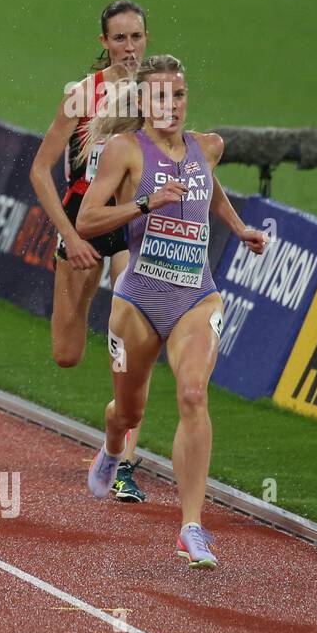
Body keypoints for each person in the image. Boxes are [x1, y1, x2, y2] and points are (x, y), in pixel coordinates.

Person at [77, 55, 266, 569]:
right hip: (137, 297)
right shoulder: (124, 149)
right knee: (129, 412)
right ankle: (113, 447)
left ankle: (191, 528)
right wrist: (146, 205)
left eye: (178, 96)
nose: (172, 106)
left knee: (191, 392)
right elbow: (88, 218)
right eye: (160, 98)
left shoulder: (208, 147)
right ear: (142, 102)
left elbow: (211, 189)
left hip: (194, 297)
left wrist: (240, 226)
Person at [29, 0, 149, 502]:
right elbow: (40, 170)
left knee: (131, 346)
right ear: (104, 44)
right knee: (67, 353)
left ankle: (120, 458)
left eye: (136, 38)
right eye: (118, 39)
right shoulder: (82, 97)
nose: (128, 48)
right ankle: (116, 441)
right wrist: (72, 237)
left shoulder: (158, 97)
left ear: (147, 40)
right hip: (82, 223)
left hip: (134, 226)